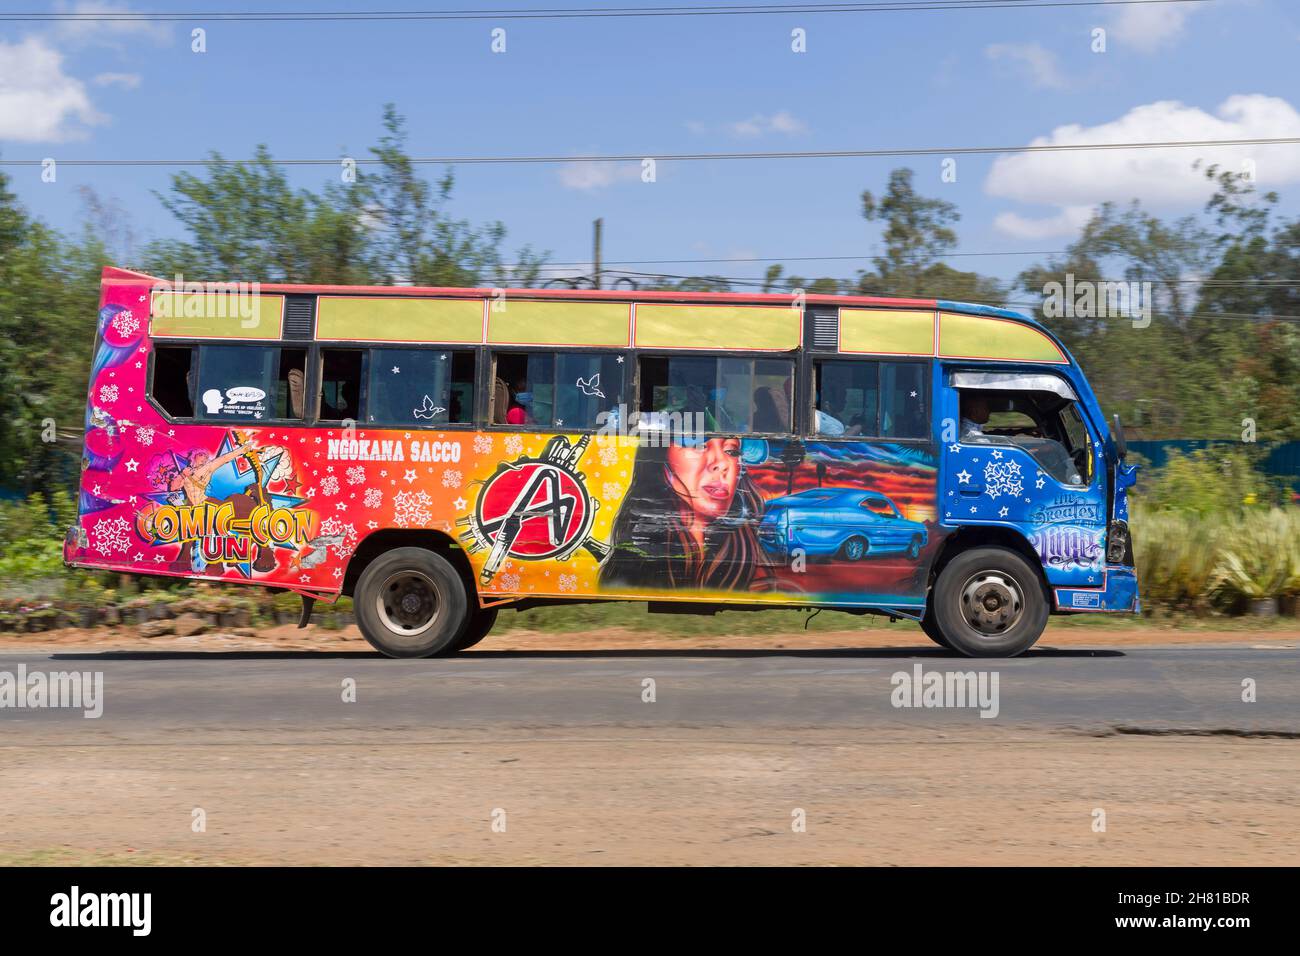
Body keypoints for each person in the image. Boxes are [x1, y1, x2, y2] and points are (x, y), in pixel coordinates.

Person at [600, 434, 767, 592]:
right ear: (661, 458)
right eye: (697, 445)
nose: (722, 464)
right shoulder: (636, 564)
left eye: (731, 451)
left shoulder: (757, 565)